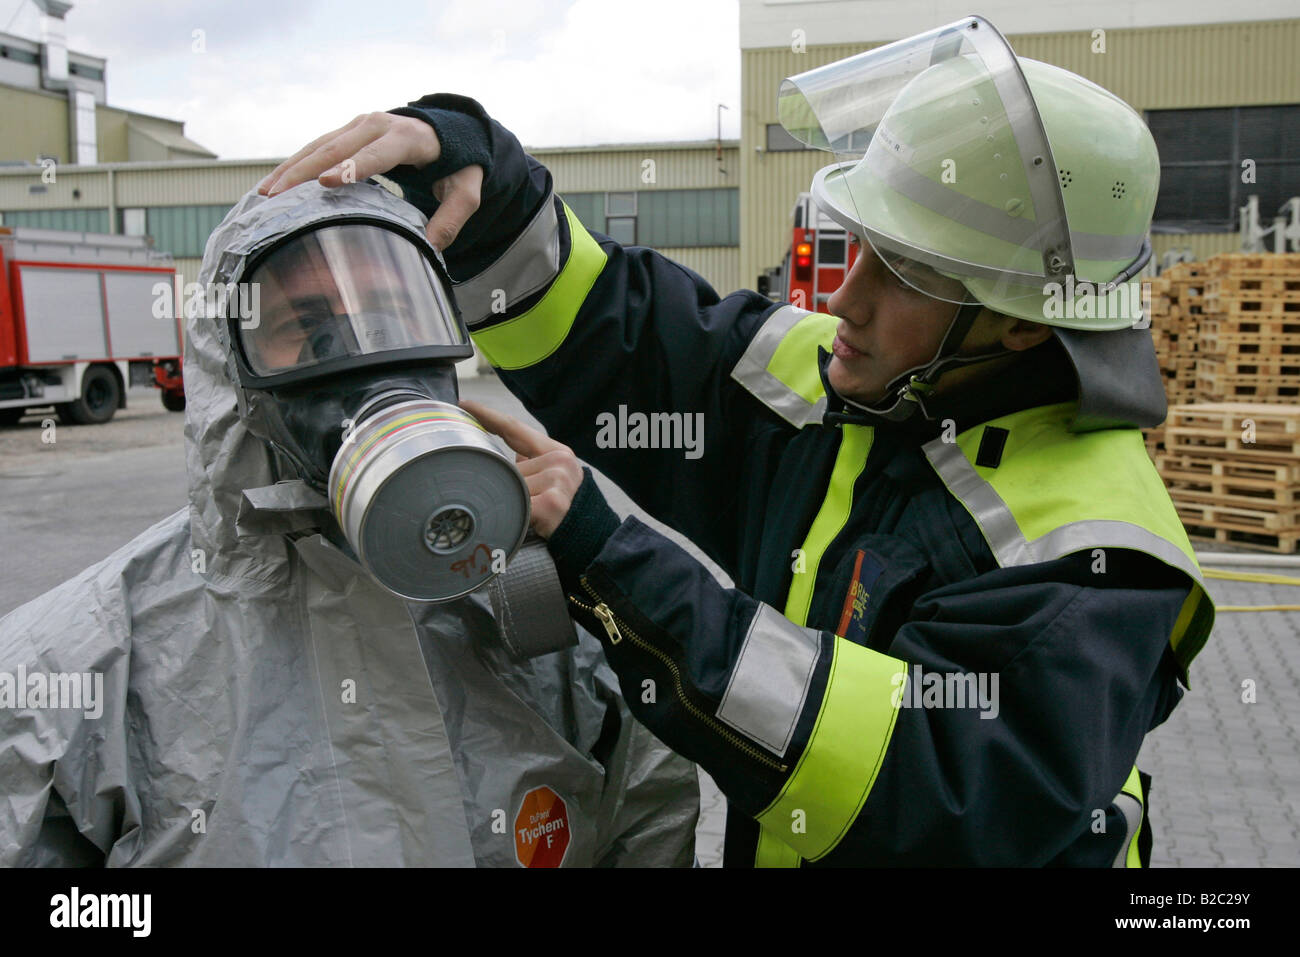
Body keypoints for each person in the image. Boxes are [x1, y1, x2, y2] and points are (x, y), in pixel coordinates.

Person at [261, 15, 1215, 867]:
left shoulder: (1094, 553)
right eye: (861, 244)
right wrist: (482, 179)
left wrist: (614, 561)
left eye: (909, 273)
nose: (846, 296)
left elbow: (926, 785)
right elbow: (620, 336)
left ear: (1020, 326)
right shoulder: (848, 381)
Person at [0, 177, 699, 867]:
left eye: (396, 313)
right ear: (232, 377)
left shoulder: (550, 610)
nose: (365, 354)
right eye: (306, 328)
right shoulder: (77, 671)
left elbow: (647, 823)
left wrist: (600, 559)